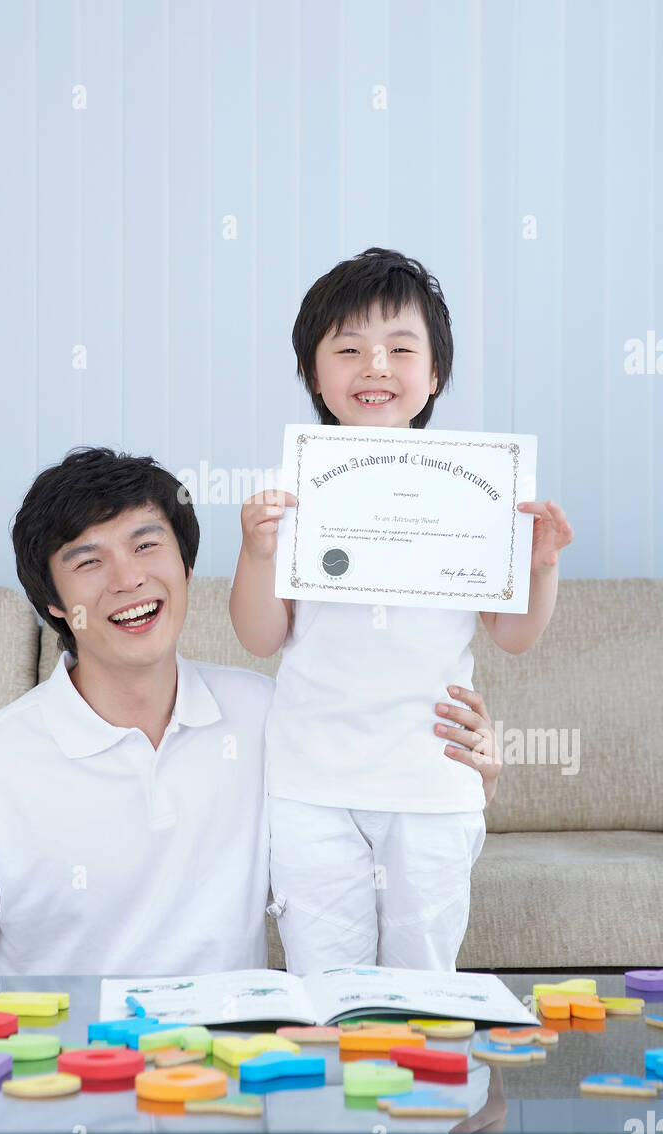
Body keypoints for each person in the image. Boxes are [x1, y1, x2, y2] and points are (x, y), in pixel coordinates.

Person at [0, 443, 503, 978]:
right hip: (60, 1085)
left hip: (225, 1084)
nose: (128, 579)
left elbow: (379, 823)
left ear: (186, 566)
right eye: (89, 561)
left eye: (146, 545)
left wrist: (469, 768)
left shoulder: (269, 716)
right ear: (52, 602)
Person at [229, 247, 573, 975]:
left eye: (400, 348)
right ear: (315, 377)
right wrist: (256, 553)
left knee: (423, 984)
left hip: (432, 774)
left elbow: (513, 638)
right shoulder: (289, 491)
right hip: (311, 781)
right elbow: (261, 637)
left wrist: (540, 566)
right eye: (348, 349)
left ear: (435, 373)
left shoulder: (480, 491)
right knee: (326, 984)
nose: (375, 366)